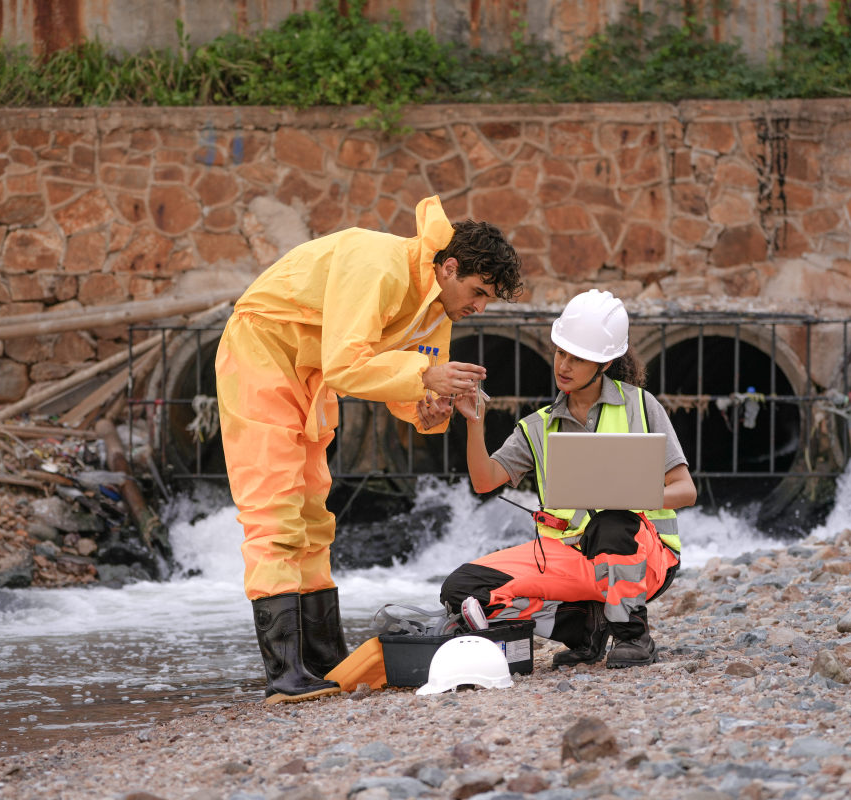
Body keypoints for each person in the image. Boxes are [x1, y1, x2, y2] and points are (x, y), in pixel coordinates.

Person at [214, 195, 522, 703]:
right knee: (275, 507)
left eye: (489, 299)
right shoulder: (376, 263)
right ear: (449, 267)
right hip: (262, 350)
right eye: (478, 292)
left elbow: (408, 387)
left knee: (314, 512)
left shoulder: (436, 313)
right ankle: (284, 675)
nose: (480, 307)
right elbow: (346, 363)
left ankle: (323, 661)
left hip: (307, 371)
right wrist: (426, 377)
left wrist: (428, 408)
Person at [434, 289, 696, 668]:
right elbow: (484, 480)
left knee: (611, 521)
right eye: (562, 353)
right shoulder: (538, 426)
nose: (564, 365)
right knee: (461, 588)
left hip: (642, 558)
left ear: (605, 363)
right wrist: (475, 423)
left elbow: (686, 491)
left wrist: (632, 495)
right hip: (567, 558)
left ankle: (632, 636)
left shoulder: (642, 406)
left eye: (578, 358)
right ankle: (583, 629)